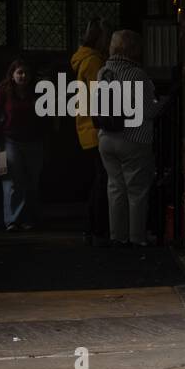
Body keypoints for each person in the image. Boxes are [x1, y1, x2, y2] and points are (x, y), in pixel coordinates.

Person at [96, 29, 161, 246]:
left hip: (106, 138)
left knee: (115, 187)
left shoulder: (103, 71)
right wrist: (160, 103)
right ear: (135, 49)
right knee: (137, 191)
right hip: (133, 139)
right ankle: (136, 238)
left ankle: (117, 237)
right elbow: (148, 111)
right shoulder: (137, 75)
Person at [0, 58, 46, 231]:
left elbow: (47, 116)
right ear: (12, 75)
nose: (23, 76)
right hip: (11, 141)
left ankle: (29, 219)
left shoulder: (38, 92)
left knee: (32, 181)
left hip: (34, 142)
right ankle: (12, 220)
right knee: (12, 181)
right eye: (19, 72)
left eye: (26, 72)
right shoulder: (3, 93)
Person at [70, 17, 111, 245]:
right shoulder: (94, 62)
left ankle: (94, 226)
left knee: (99, 178)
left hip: (87, 125)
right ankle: (97, 226)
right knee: (102, 179)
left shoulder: (85, 60)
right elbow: (101, 96)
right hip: (96, 127)